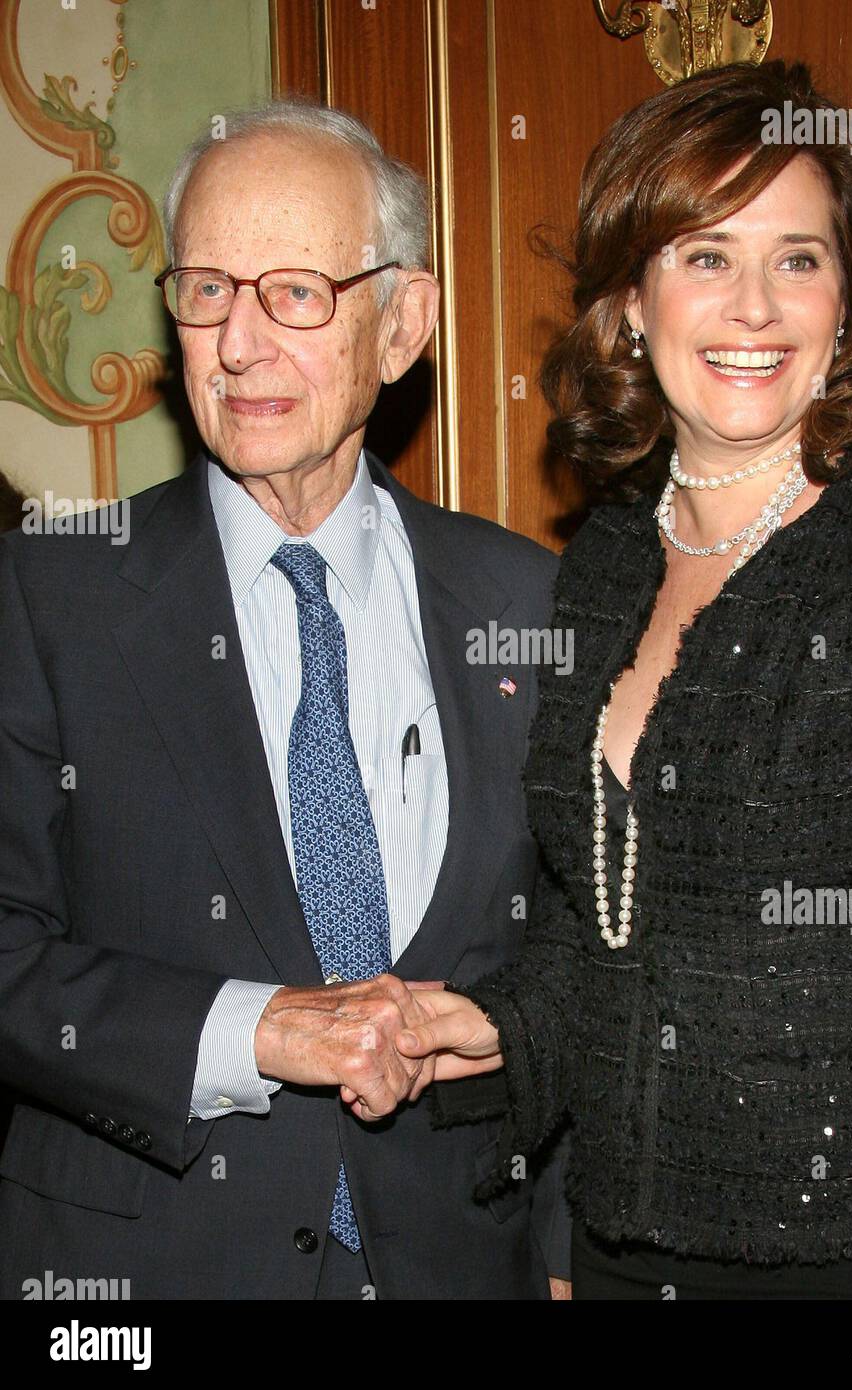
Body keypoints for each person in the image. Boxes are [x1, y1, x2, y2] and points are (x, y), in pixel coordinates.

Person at [382, 60, 852, 1300]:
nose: (754, 306)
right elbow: (616, 925)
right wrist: (497, 1026)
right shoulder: (607, 563)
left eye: (797, 259)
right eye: (702, 256)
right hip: (624, 1250)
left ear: (848, 302)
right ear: (631, 301)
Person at [0, 101, 570, 1301]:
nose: (239, 343)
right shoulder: (46, 595)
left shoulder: (530, 599)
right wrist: (251, 1030)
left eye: (296, 292)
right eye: (206, 290)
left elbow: (576, 966)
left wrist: (563, 1263)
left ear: (402, 323)